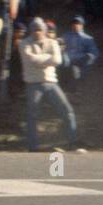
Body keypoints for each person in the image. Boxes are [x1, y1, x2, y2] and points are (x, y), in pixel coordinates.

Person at [20, 17, 80, 151]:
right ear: (30, 30)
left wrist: (39, 59)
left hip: (51, 82)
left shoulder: (52, 42)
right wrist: (48, 58)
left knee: (67, 111)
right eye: (34, 29)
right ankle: (33, 146)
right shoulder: (24, 43)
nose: (37, 32)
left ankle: (72, 141)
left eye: (40, 29)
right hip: (33, 83)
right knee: (32, 115)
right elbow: (30, 59)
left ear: (45, 30)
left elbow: (58, 60)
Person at [60, 16, 99, 87]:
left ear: (82, 25)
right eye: (74, 23)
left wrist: (89, 57)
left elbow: (94, 52)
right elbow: (60, 44)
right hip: (67, 59)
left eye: (78, 23)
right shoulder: (66, 35)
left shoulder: (88, 38)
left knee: (76, 72)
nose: (75, 25)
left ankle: (75, 88)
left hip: (80, 61)